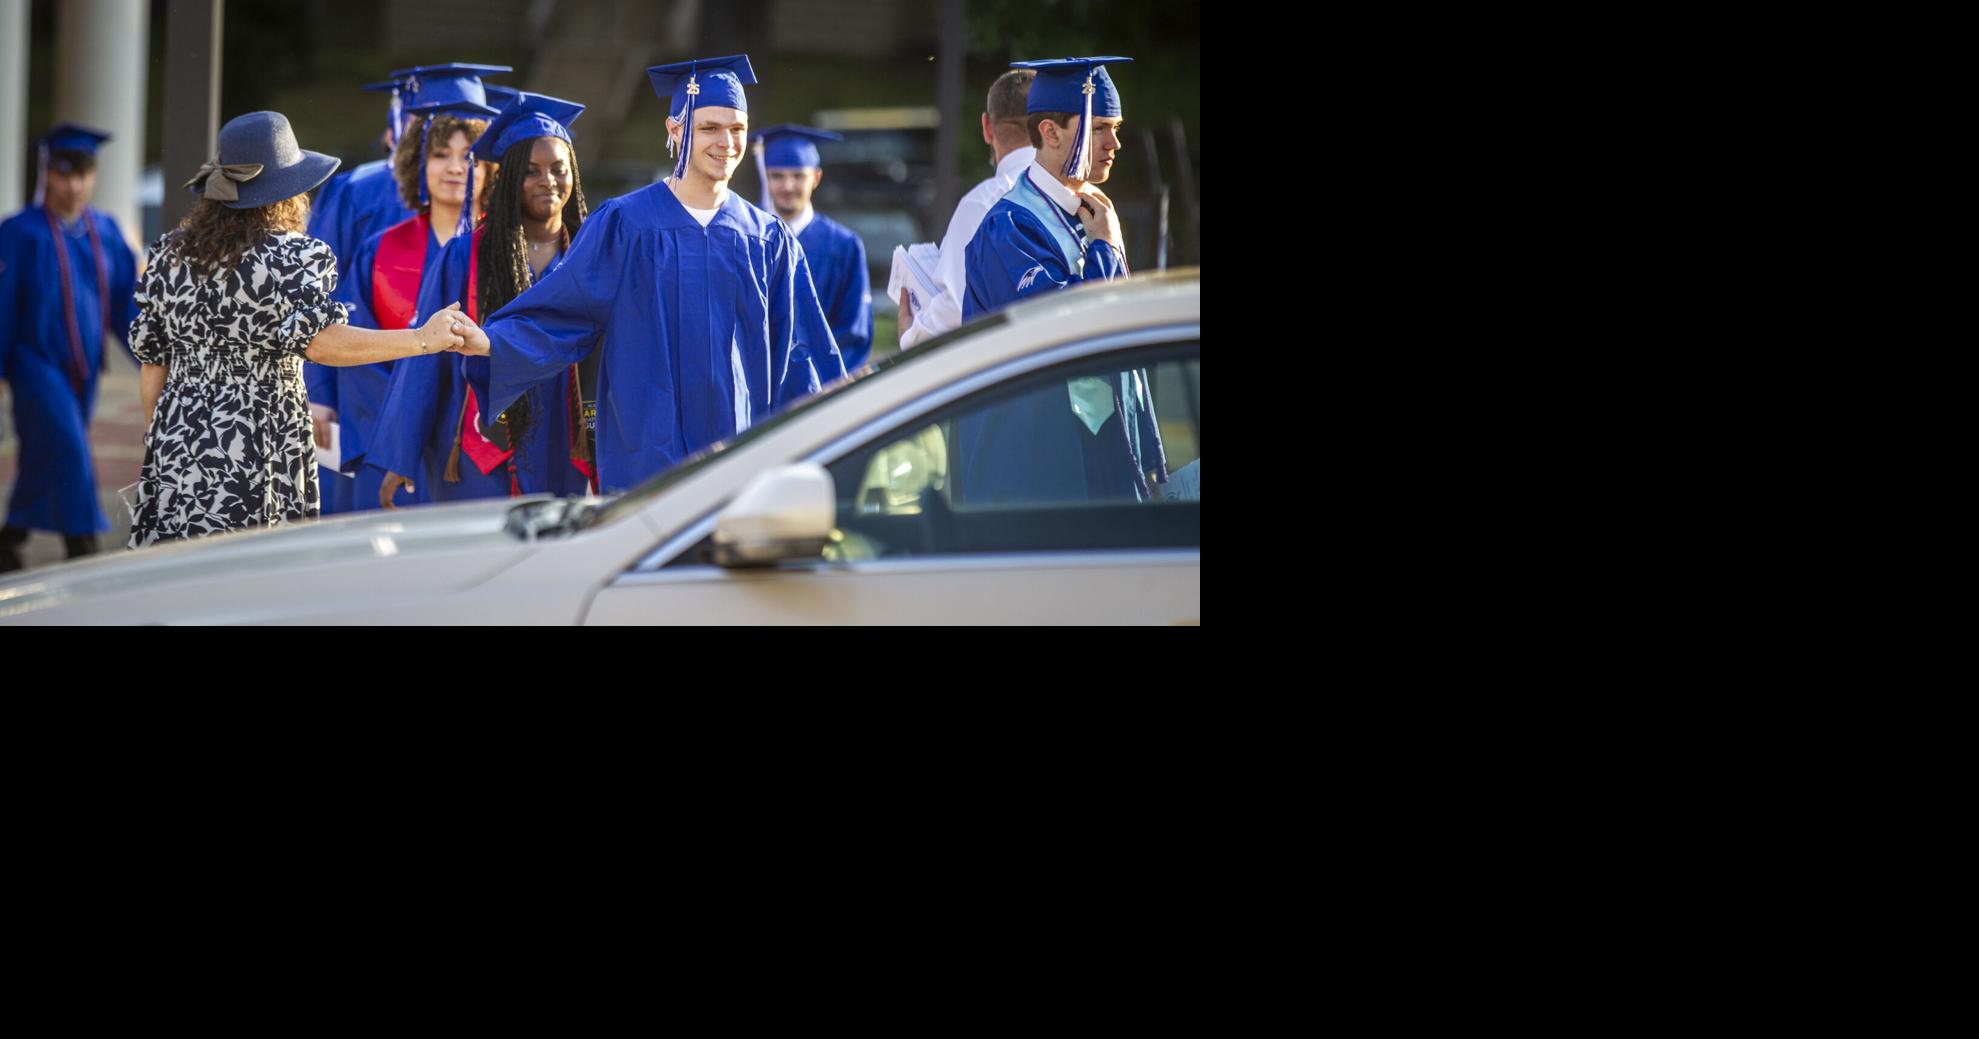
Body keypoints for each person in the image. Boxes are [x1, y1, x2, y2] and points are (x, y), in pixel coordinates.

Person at [461, 54, 844, 492]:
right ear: (675, 129)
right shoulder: (625, 224)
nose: (726, 142)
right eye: (709, 128)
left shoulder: (768, 240)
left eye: (736, 128)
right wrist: (494, 340)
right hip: (645, 455)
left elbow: (800, 351)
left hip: (741, 457)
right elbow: (566, 309)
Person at [124, 110, 475, 546]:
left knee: (180, 576)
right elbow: (322, 344)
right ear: (287, 193)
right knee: (255, 575)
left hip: (177, 439)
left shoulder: (168, 255)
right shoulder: (292, 257)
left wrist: (163, 439)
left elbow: (152, 363)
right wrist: (424, 338)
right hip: (256, 443)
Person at [957, 57, 1164, 506]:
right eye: (1100, 128)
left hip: (1100, 460)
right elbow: (1065, 332)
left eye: (1117, 127)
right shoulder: (1008, 227)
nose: (1115, 143)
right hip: (1035, 471)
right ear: (1050, 133)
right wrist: (1107, 249)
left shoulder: (1091, 214)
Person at [370, 92, 594, 505]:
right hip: (478, 435)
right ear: (507, 180)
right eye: (530, 171)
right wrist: (400, 455)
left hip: (569, 430)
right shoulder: (464, 254)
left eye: (558, 169)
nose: (548, 180)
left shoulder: (594, 254)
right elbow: (427, 354)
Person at [334, 64, 502, 513]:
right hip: (392, 441)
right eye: (440, 154)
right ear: (417, 164)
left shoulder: (509, 252)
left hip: (480, 445)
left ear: (490, 167)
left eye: (468, 156)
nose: (454, 169)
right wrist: (404, 423)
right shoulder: (381, 251)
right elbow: (356, 356)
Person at [0, 123, 140, 570]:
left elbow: (123, 305)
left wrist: (150, 356)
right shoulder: (20, 232)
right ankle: (83, 548)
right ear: (48, 175)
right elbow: (3, 306)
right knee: (68, 449)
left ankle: (11, 537)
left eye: (83, 173)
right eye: (65, 173)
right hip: (33, 364)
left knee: (48, 453)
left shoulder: (106, 231)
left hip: (83, 371)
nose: (74, 184)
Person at [896, 69, 1035, 350]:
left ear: (987, 127)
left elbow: (956, 307)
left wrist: (912, 334)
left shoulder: (984, 202)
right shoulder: (1084, 197)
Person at [754, 124, 872, 368]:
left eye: (798, 176)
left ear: (816, 177)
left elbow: (853, 333)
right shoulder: (747, 237)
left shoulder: (843, 246)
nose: (788, 186)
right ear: (765, 177)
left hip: (820, 390)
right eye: (777, 176)